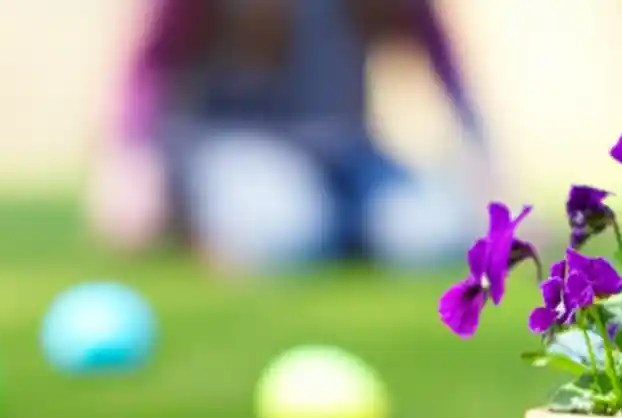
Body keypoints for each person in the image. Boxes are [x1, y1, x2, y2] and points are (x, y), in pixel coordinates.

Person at [87, 0, 485, 270]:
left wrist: (482, 159)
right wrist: (130, 163)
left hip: (347, 151)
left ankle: (333, 224)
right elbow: (153, 62)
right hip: (238, 144)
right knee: (284, 236)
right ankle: (204, 221)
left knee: (432, 239)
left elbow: (442, 57)